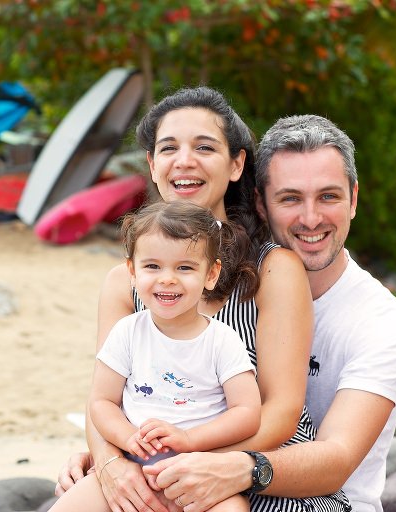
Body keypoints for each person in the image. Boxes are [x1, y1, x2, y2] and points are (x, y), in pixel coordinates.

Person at [56, 87, 350, 512]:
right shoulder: (125, 282)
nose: (185, 160)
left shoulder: (273, 269)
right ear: (153, 166)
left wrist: (191, 464)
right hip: (148, 467)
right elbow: (104, 398)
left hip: (254, 468)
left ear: (236, 164)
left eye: (205, 147)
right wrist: (108, 464)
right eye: (169, 148)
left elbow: (281, 411)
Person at [140, 115, 396, 512]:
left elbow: (336, 458)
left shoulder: (379, 320)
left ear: (354, 199)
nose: (311, 218)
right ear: (260, 204)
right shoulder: (215, 285)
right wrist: (113, 455)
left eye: (329, 197)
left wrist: (237, 469)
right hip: (195, 483)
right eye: (289, 199)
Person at [50, 200, 261, 512]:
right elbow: (101, 401)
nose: (167, 279)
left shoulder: (222, 341)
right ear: (132, 272)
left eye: (185, 268)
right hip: (132, 465)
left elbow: (247, 411)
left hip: (199, 474)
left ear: (211, 274)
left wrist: (189, 440)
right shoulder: (127, 332)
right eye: (152, 266)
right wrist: (128, 437)